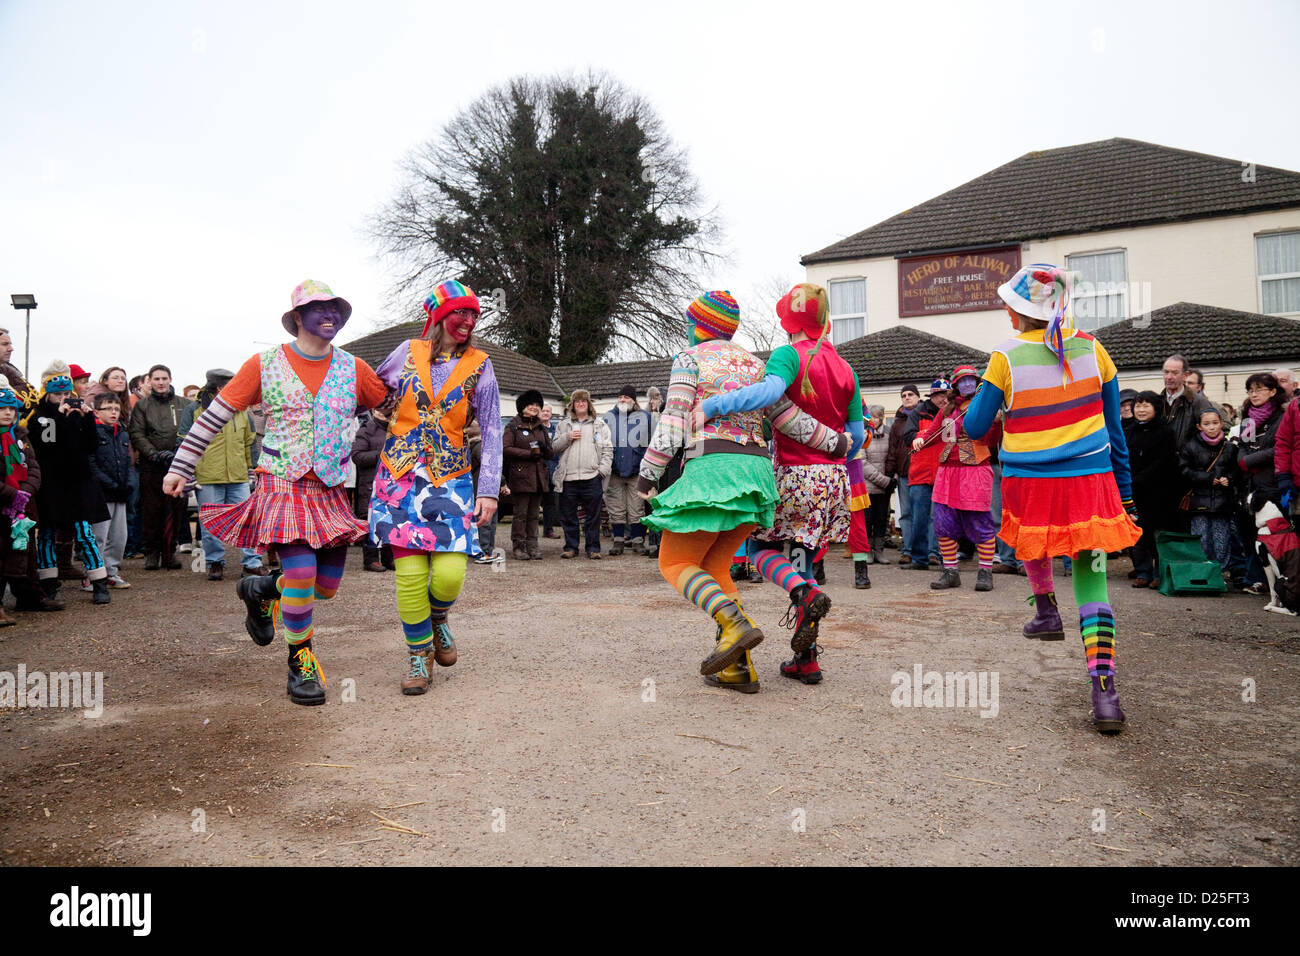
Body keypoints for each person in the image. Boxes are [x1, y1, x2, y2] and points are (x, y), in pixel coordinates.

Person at [164, 280, 391, 706]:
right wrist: (181, 467)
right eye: (318, 309)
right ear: (297, 319)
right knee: (303, 577)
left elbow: (393, 410)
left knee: (325, 588)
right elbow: (212, 418)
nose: (330, 315)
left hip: (330, 486)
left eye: (335, 309)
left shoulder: (355, 369)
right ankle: (300, 664)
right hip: (281, 480)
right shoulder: (264, 365)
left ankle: (262, 589)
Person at [638, 290, 847, 693]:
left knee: (674, 564)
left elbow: (675, 417)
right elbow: (787, 417)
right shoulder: (755, 363)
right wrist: (836, 443)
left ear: (698, 326)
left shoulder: (690, 359)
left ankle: (735, 625)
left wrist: (649, 473)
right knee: (716, 567)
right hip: (756, 475)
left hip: (713, 469)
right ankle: (737, 668)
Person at [964, 264, 1141, 735]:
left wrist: (995, 399)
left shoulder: (1004, 357)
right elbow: (1115, 431)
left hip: (1030, 480)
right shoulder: (1095, 350)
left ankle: (1045, 610)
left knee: (1031, 541)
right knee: (1093, 583)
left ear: (1015, 310)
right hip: (1091, 480)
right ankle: (1105, 691)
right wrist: (1124, 494)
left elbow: (975, 428)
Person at [693, 283, 865, 685]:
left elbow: (769, 393)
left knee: (760, 548)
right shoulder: (846, 369)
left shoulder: (789, 355)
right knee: (803, 559)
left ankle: (802, 595)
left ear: (788, 321)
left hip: (793, 471)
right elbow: (856, 438)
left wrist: (713, 406)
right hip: (833, 479)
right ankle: (805, 660)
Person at [368, 279, 501, 695]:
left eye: (474, 314)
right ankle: (418, 656)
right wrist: (376, 409)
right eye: (461, 312)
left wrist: (489, 490)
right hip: (398, 477)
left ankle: (438, 617)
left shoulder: (481, 363)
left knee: (450, 572)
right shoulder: (407, 351)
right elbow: (372, 391)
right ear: (439, 316)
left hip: (451, 479)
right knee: (408, 575)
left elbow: (494, 429)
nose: (468, 320)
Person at [26, 361, 112, 606]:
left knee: (85, 533)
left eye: (67, 393)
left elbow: (90, 447)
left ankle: (99, 582)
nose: (63, 398)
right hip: (52, 484)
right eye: (57, 394)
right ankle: (49, 583)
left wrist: (86, 420)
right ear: (47, 393)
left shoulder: (78, 414)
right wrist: (62, 419)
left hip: (78, 482)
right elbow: (48, 448)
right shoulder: (40, 417)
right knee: (47, 534)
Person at [915, 364, 1003, 592]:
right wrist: (920, 440)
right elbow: (933, 432)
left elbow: (991, 440)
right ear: (955, 385)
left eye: (971, 380)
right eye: (963, 381)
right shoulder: (947, 409)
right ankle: (950, 571)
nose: (967, 384)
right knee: (943, 523)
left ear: (977, 383)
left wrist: (995, 422)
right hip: (947, 471)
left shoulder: (983, 406)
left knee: (979, 522)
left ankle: (985, 572)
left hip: (975, 470)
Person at [178, 368, 264, 581]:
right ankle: (214, 562)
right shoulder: (194, 411)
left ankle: (252, 563)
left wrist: (251, 470)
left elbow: (250, 442)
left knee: (249, 521)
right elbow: (183, 442)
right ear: (219, 387)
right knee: (209, 525)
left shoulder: (242, 410)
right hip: (207, 477)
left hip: (239, 476)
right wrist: (190, 475)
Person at [0, 375, 53, 621]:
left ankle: (29, 597)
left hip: (24, 505)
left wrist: (27, 491)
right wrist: (12, 494)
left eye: (12, 408)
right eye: (3, 408)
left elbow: (33, 466)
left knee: (26, 551)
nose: (8, 413)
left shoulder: (21, 435)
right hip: (4, 504)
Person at [129, 363, 190, 570]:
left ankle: (169, 552)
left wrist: (180, 454)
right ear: (150, 381)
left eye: (164, 378)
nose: (161, 382)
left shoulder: (183, 404)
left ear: (170, 379)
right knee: (151, 510)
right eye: (156, 379)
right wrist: (154, 454)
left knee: (175, 510)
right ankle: (152, 553)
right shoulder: (142, 405)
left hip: (177, 465)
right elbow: (137, 433)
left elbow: (190, 431)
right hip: (152, 466)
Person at [1237, 373, 1286, 595]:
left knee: (1272, 533)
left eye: (1259, 389)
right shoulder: (1248, 418)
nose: (1254, 394)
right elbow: (1243, 446)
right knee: (1248, 533)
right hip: (1248, 484)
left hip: (1272, 482)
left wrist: (1250, 460)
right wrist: (1243, 459)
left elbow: (1279, 448)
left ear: (1273, 391)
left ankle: (1282, 581)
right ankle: (1254, 578)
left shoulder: (1282, 416)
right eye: (1250, 390)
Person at [1124, 391, 1176, 588]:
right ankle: (1142, 572)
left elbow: (1165, 460)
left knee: (1157, 534)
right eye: (1138, 405)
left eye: (1146, 405)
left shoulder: (1165, 431)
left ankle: (1158, 573)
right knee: (1137, 533)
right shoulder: (1129, 430)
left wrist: (1143, 477)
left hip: (1158, 490)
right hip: (1133, 490)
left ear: (1155, 408)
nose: (1141, 409)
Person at [553, 389, 612, 559]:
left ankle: (593, 548)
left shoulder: (599, 425)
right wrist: (567, 437)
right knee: (568, 515)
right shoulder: (564, 425)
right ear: (572, 405)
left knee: (593, 516)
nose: (580, 404)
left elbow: (608, 450)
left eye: (584, 401)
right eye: (577, 401)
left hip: (591, 476)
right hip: (568, 477)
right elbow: (554, 448)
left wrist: (601, 471)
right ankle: (571, 547)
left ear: (588, 405)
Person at [1180, 407, 1238, 575]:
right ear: (1199, 426)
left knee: (1222, 541)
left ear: (1221, 423)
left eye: (1215, 423)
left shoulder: (1230, 448)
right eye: (1207, 424)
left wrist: (1229, 478)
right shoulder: (1190, 447)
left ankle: (1220, 573)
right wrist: (1206, 478)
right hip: (1199, 502)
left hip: (1223, 503)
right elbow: (1183, 470)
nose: (1211, 427)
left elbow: (1237, 470)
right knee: (1201, 539)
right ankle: (1203, 573)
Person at [902, 380, 949, 571]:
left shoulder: (953, 413)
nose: (942, 399)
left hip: (944, 473)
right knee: (919, 518)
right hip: (920, 473)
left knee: (942, 518)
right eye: (938, 395)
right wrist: (925, 434)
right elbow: (908, 438)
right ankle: (919, 558)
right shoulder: (917, 412)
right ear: (932, 396)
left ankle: (940, 556)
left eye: (945, 395)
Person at [88, 392, 133, 589]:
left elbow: (128, 462)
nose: (114, 413)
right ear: (97, 412)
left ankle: (111, 571)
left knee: (119, 536)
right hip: (101, 494)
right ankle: (92, 575)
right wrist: (110, 484)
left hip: (120, 493)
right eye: (109, 409)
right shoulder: (92, 433)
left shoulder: (122, 433)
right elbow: (91, 464)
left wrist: (129, 484)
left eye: (116, 409)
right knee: (99, 536)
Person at [602, 385, 653, 555]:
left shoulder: (645, 417)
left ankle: (638, 541)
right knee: (616, 507)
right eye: (620, 396)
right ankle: (618, 541)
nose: (623, 400)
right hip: (614, 470)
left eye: (626, 397)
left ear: (634, 400)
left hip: (637, 471)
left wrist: (645, 462)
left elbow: (650, 443)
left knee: (636, 507)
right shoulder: (608, 418)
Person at [502, 389, 552, 560]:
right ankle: (518, 547)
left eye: (537, 405)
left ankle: (533, 546)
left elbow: (550, 453)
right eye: (531, 404)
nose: (534, 407)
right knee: (520, 514)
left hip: (538, 477)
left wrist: (544, 449)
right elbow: (506, 448)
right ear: (523, 406)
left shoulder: (540, 426)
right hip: (520, 476)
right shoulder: (513, 425)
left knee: (534, 515)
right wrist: (528, 454)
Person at [351, 408, 393, 572]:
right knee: (370, 520)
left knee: (390, 519)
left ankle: (389, 558)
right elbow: (357, 456)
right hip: (370, 485)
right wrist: (381, 455)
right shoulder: (367, 429)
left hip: (391, 485)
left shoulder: (396, 428)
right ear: (375, 411)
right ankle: (371, 559)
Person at [883, 385, 920, 565]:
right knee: (905, 514)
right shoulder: (897, 423)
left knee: (926, 514)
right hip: (904, 473)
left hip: (924, 473)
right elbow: (892, 449)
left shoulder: (926, 416)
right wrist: (890, 473)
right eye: (903, 395)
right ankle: (908, 550)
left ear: (918, 397)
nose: (907, 398)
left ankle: (930, 551)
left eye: (910, 394)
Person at [859, 403, 892, 568]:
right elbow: (863, 463)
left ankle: (879, 550)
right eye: (871, 416)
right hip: (869, 485)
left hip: (884, 487)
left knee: (881, 520)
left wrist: (890, 479)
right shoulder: (864, 435)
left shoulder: (888, 435)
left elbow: (891, 458)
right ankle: (868, 551)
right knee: (867, 519)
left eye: (877, 417)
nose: (874, 420)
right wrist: (884, 480)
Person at [1160, 354, 1212, 451]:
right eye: (1166, 372)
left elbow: (1211, 436)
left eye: (1175, 373)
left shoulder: (1199, 403)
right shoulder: (1157, 402)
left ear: (1185, 375)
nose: (1169, 377)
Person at [0, 330, 41, 416]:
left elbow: (33, 397)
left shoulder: (9, 370)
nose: (11, 349)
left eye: (10, 344)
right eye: (5, 344)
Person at [539, 404, 561, 539]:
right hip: (539, 470)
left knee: (550, 502)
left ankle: (548, 529)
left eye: (548, 411)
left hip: (552, 470)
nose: (546, 413)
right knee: (535, 502)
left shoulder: (556, 430)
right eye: (543, 411)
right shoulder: (535, 429)